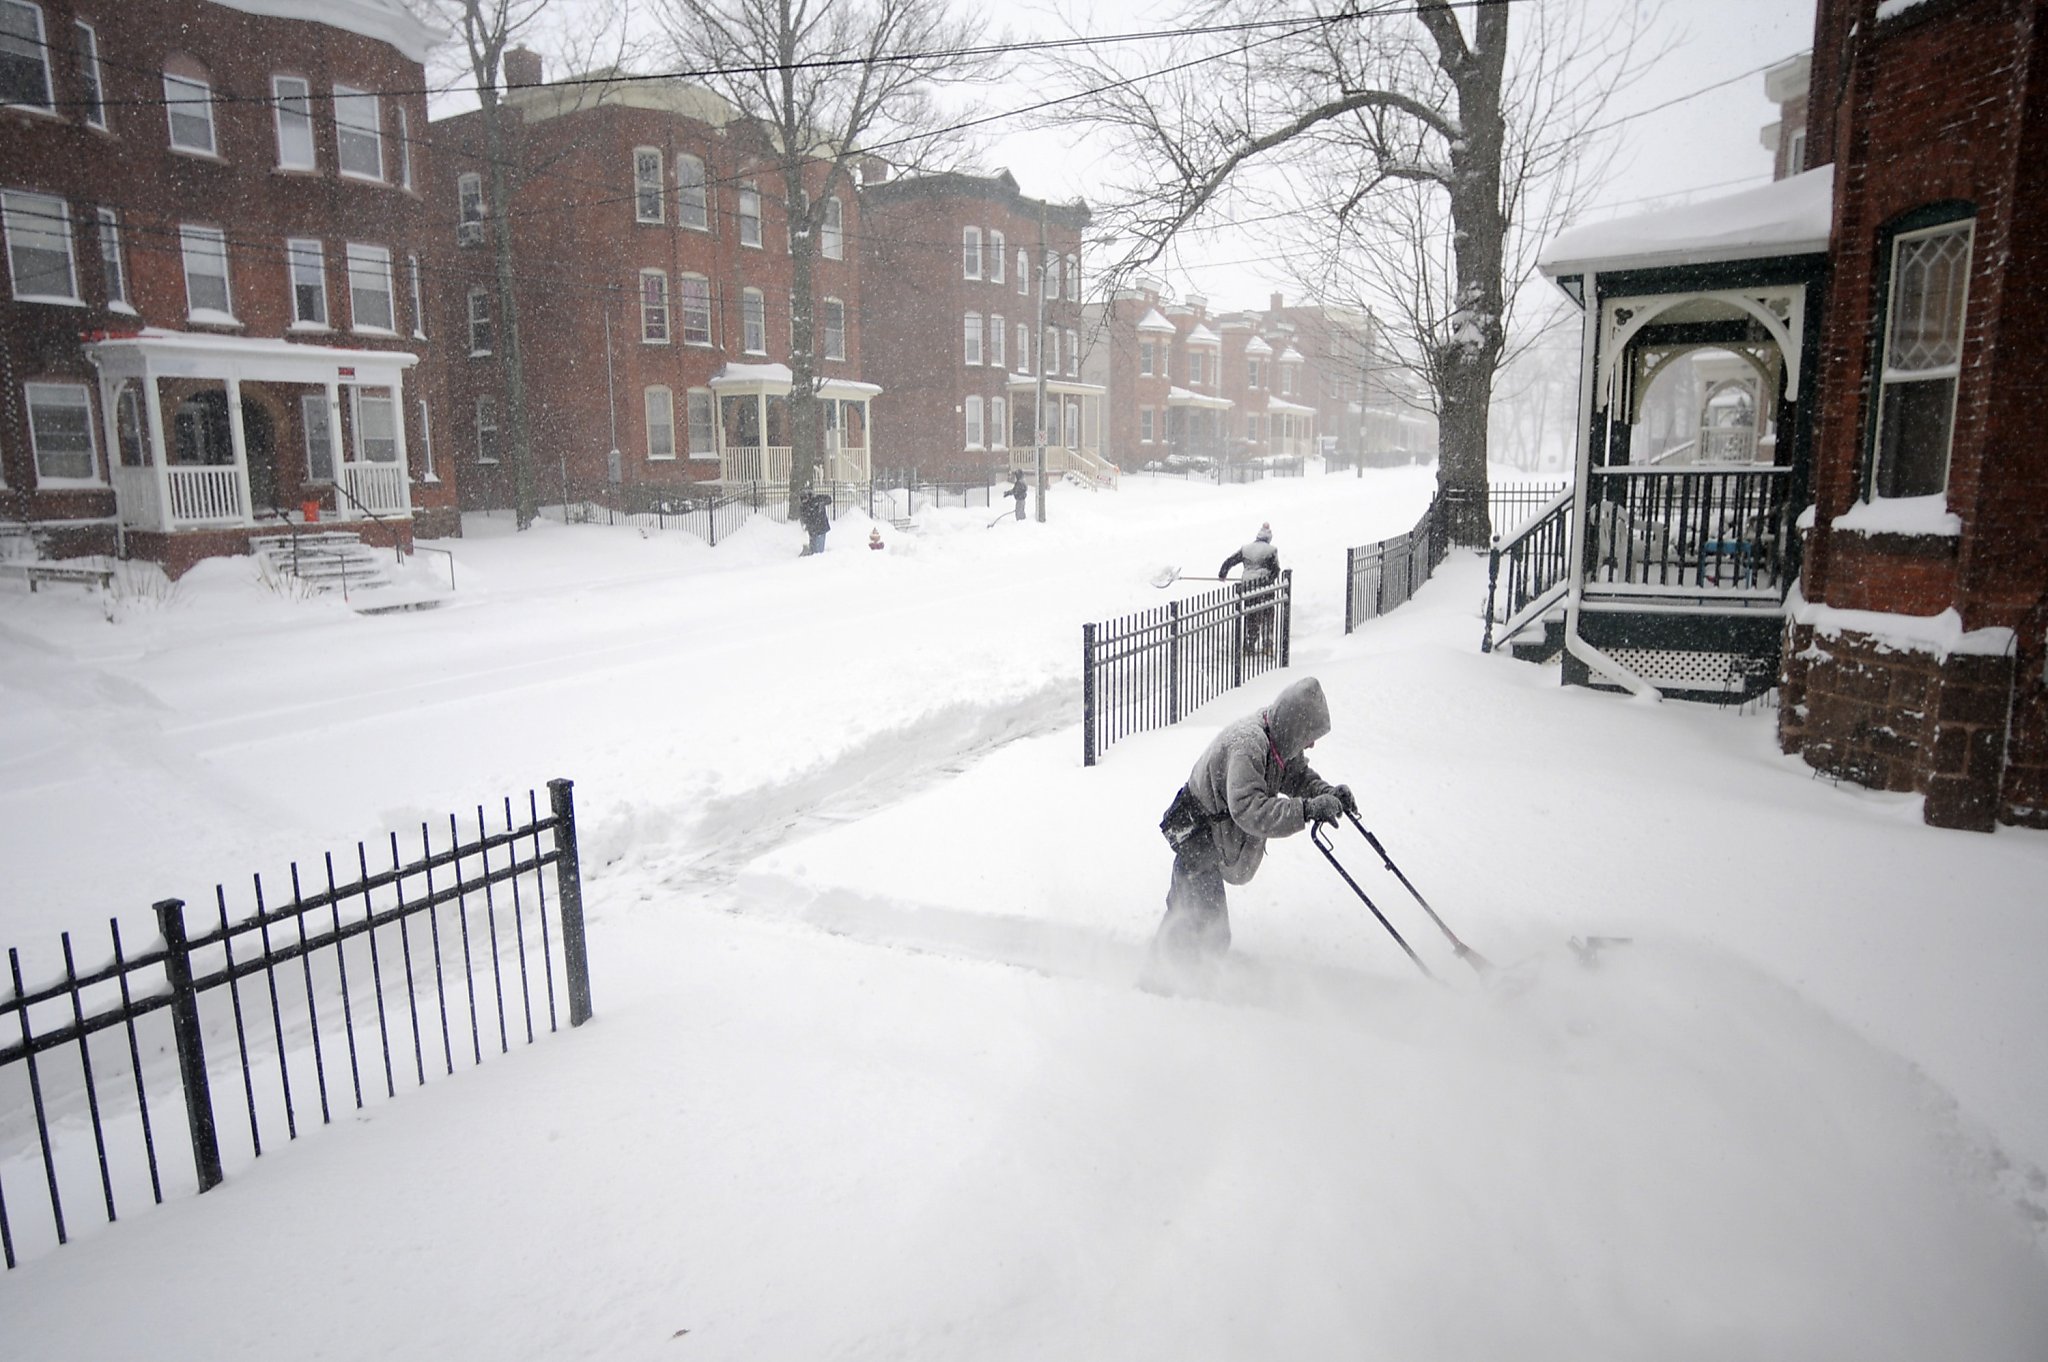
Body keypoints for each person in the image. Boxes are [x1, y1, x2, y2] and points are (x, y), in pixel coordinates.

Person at [1144, 676, 1354, 985]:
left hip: (1209, 843)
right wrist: (1307, 809)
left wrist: (1328, 794)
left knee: (1186, 921)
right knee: (1206, 931)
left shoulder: (1276, 741)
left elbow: (1296, 777)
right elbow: (1249, 809)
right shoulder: (1248, 745)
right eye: (1309, 734)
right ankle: (1177, 995)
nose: (1312, 743)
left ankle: (1159, 986)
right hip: (1197, 840)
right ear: (1295, 726)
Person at [1219, 522, 1280, 655]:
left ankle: (1250, 644)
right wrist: (1269, 580)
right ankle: (1267, 645)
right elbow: (1276, 570)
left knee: (1251, 616)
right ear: (1269, 539)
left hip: (1248, 587)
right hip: (1265, 588)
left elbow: (1230, 560)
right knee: (1267, 617)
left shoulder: (1246, 549)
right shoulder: (1271, 550)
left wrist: (1223, 574)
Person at [798, 489, 832, 556]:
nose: (804, 501)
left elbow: (829, 499)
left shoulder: (817, 500)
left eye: (805, 499)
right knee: (813, 552)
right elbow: (804, 520)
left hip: (821, 529)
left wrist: (821, 503)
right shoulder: (803, 507)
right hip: (812, 531)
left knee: (818, 553)